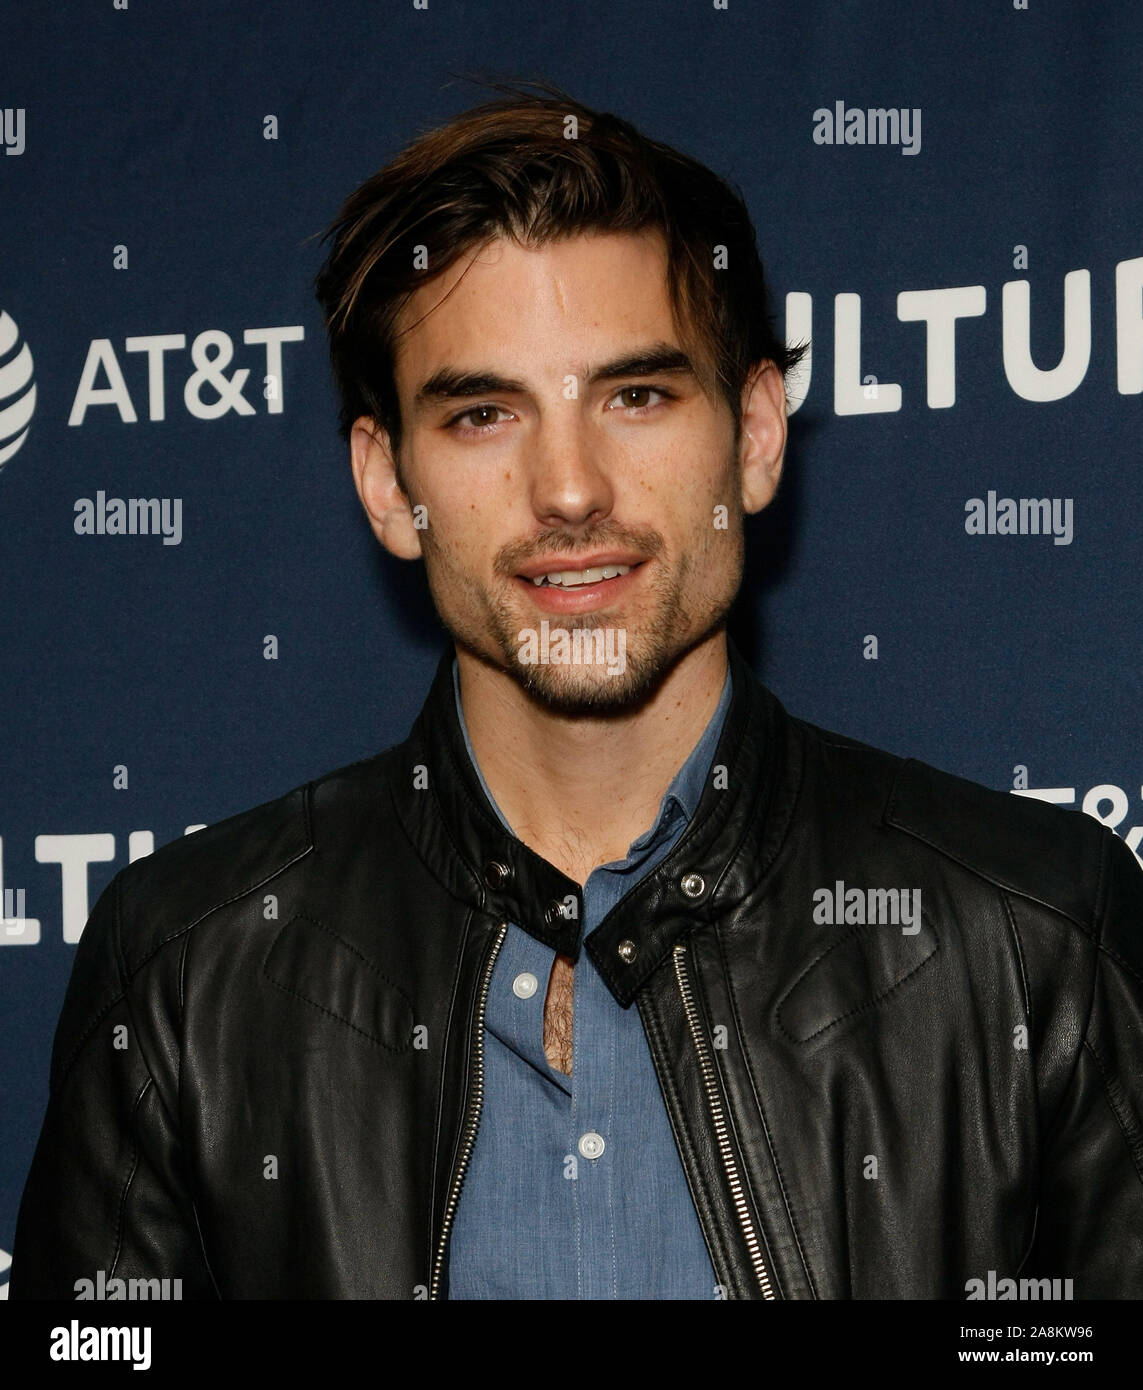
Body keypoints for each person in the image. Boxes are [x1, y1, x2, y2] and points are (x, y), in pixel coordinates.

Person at [12, 85, 1143, 1301]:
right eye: (485, 412)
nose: (567, 488)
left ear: (755, 435)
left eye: (637, 396)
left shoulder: (1036, 939)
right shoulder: (187, 970)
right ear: (389, 483)